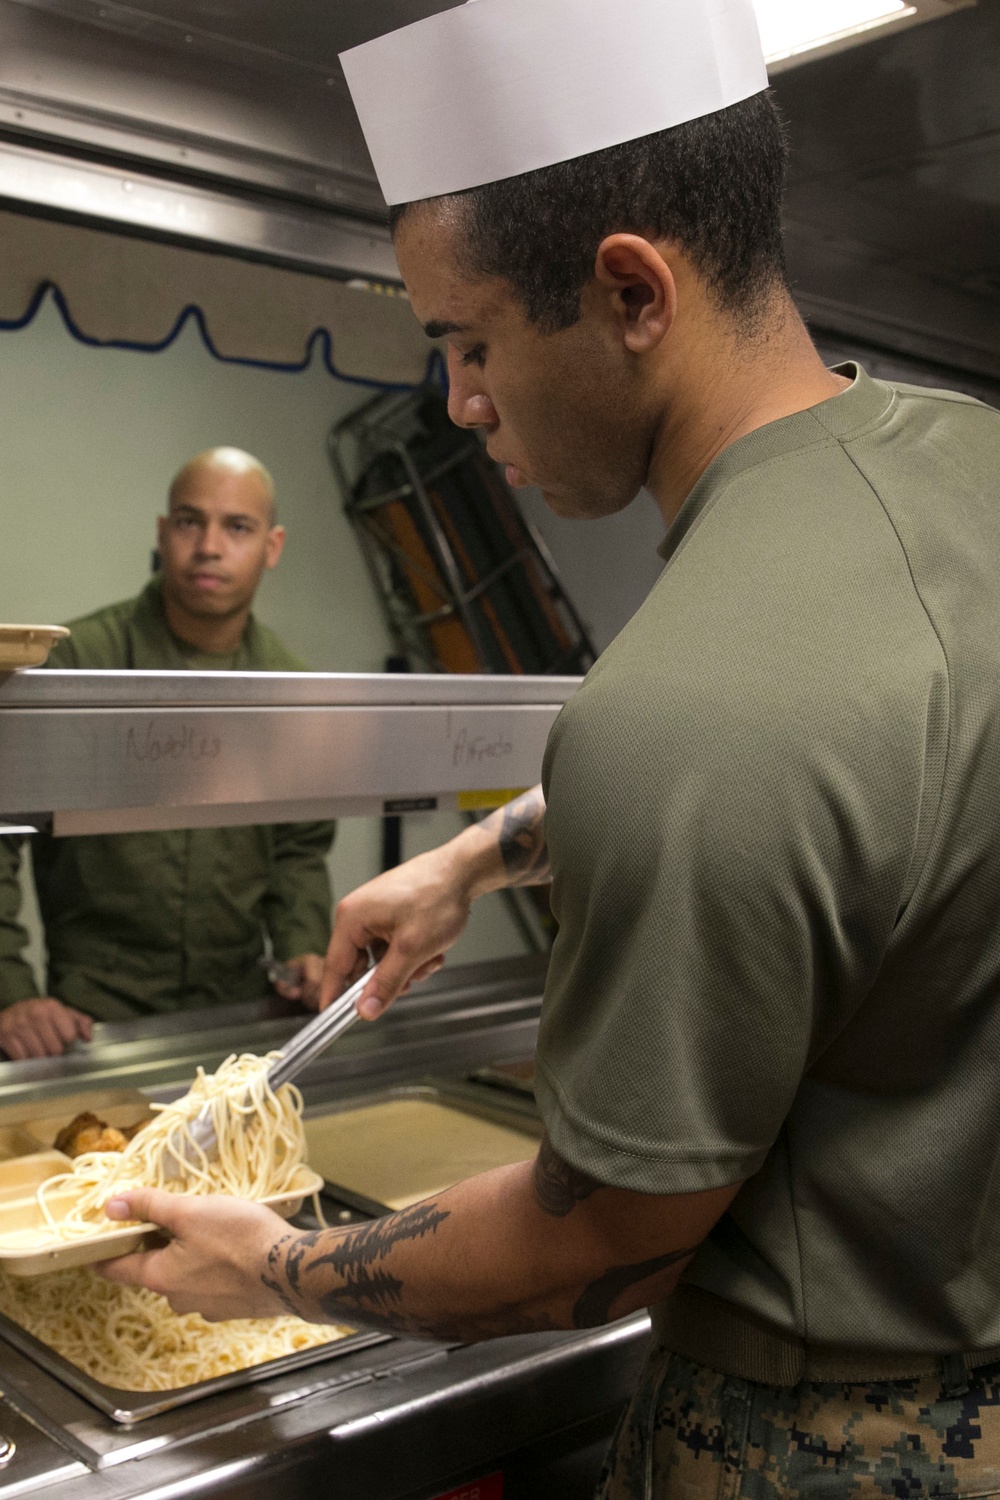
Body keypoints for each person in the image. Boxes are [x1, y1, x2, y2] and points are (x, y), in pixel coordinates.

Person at [102, 1, 1000, 1494]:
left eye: (468, 341)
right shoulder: (963, 457)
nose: (459, 405)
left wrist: (275, 1262)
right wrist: (477, 855)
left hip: (828, 1440)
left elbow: (586, 1254)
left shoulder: (691, 698)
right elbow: (866, 767)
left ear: (633, 291)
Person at [0, 447, 335, 1059]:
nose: (209, 545)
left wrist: (302, 947)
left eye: (237, 527)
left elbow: (299, 845)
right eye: (189, 521)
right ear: (163, 532)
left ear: (273, 545)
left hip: (239, 1020)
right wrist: (9, 991)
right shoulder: (78, 665)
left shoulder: (288, 686)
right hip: (87, 1023)